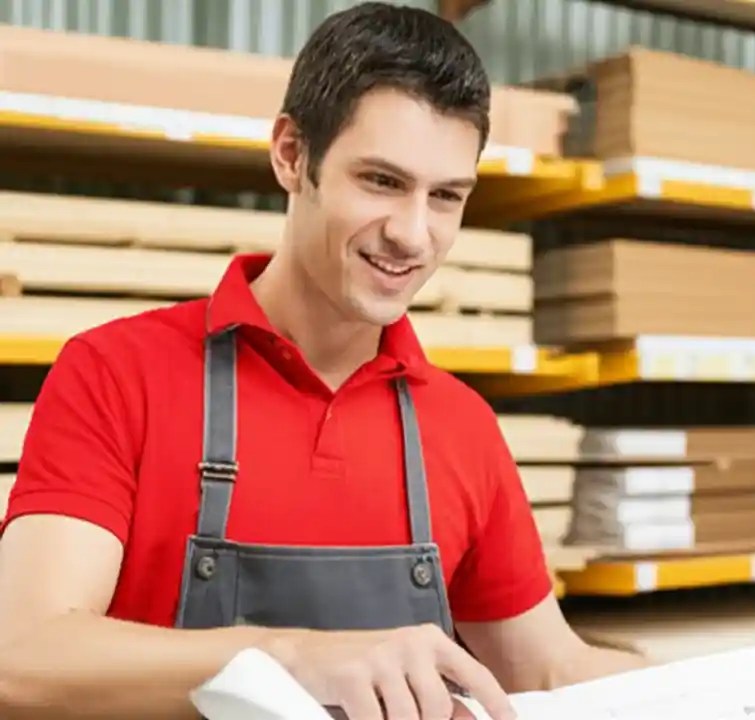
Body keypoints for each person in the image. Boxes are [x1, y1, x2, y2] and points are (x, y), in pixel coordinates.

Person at [0, 4, 644, 719]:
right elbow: (22, 658)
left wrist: (748, 682)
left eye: (446, 198)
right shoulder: (118, 376)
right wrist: (289, 659)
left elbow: (547, 670)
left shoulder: (462, 428)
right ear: (291, 155)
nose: (412, 234)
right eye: (381, 182)